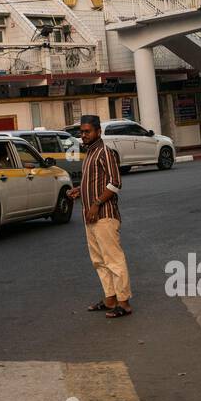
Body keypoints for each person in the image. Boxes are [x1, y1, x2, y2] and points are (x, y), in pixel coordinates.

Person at [68, 114, 131, 318]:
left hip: (104, 215)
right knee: (99, 261)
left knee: (113, 259)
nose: (83, 135)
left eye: (87, 131)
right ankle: (110, 299)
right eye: (82, 132)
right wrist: (80, 190)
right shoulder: (90, 153)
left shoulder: (104, 152)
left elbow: (115, 183)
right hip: (91, 216)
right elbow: (96, 182)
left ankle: (124, 302)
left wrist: (95, 204)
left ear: (98, 132)